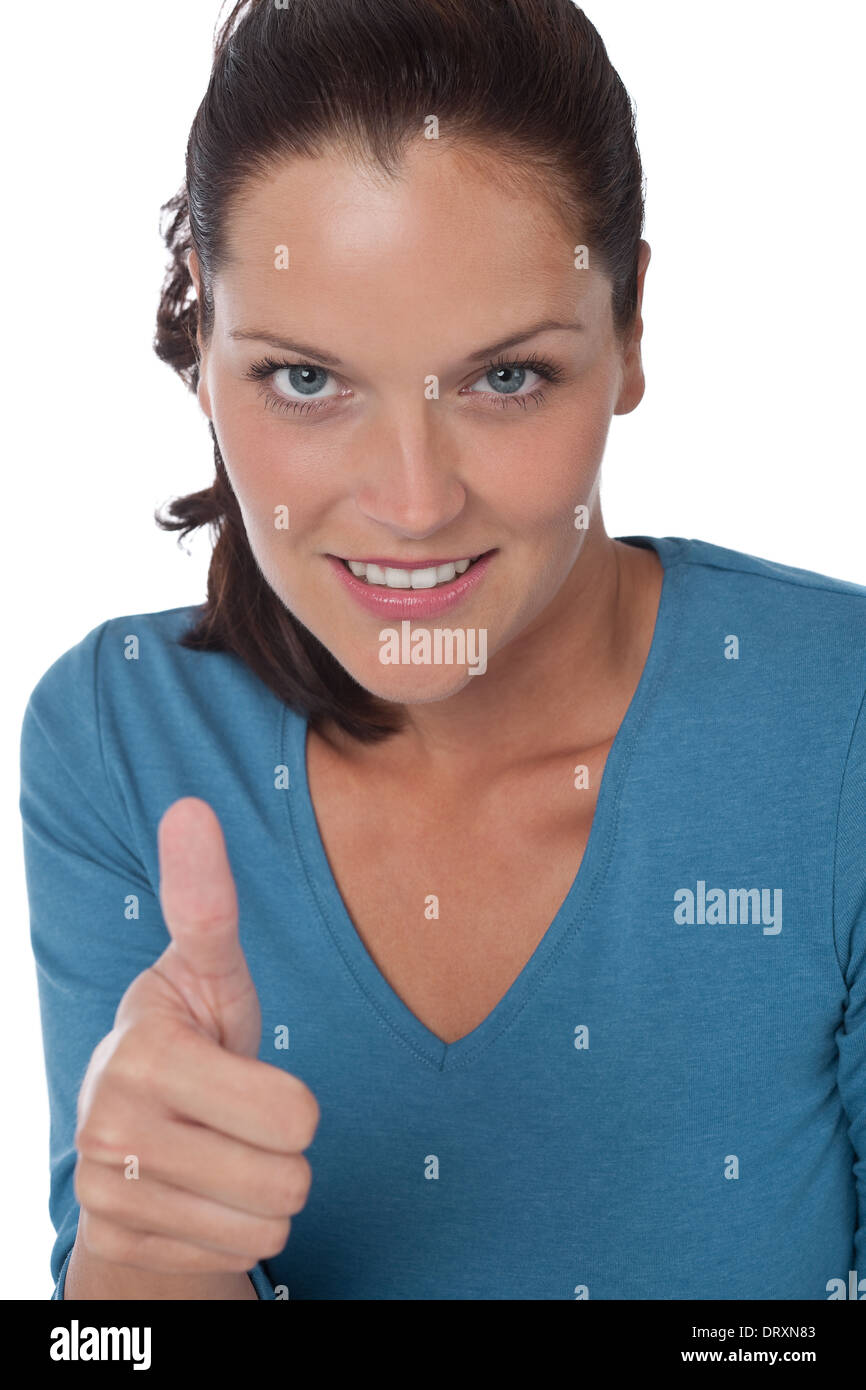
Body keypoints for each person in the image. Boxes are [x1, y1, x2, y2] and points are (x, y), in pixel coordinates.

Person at [20, 0, 866, 1301]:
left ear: (629, 327)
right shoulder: (119, 735)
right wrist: (137, 1265)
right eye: (307, 379)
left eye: (505, 378)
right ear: (200, 352)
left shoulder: (834, 718)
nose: (411, 505)